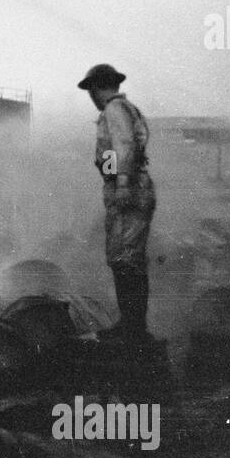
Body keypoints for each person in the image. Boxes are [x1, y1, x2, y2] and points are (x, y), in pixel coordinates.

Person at [77, 63, 156, 342]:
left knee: (125, 258)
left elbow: (124, 145)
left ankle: (132, 327)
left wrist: (122, 183)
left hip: (127, 189)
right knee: (126, 258)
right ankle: (133, 325)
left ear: (97, 88)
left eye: (91, 90)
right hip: (129, 187)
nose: (91, 96)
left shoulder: (113, 110)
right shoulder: (126, 109)